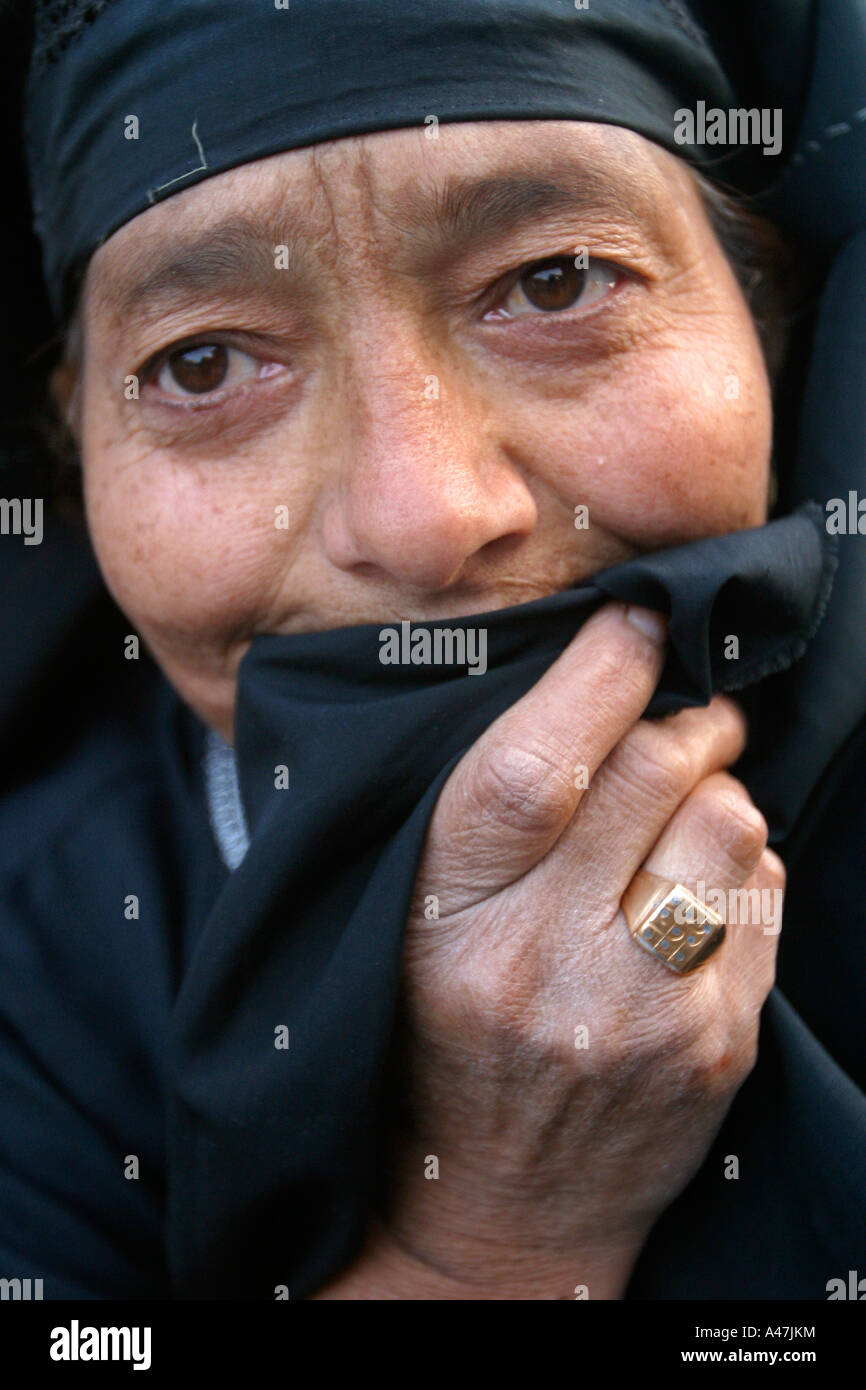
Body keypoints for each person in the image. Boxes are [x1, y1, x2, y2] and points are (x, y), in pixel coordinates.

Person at [1, 0, 864, 1300]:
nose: (421, 520)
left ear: (769, 323)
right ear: (78, 456)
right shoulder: (37, 983)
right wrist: (494, 1236)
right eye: (201, 363)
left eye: (554, 280)